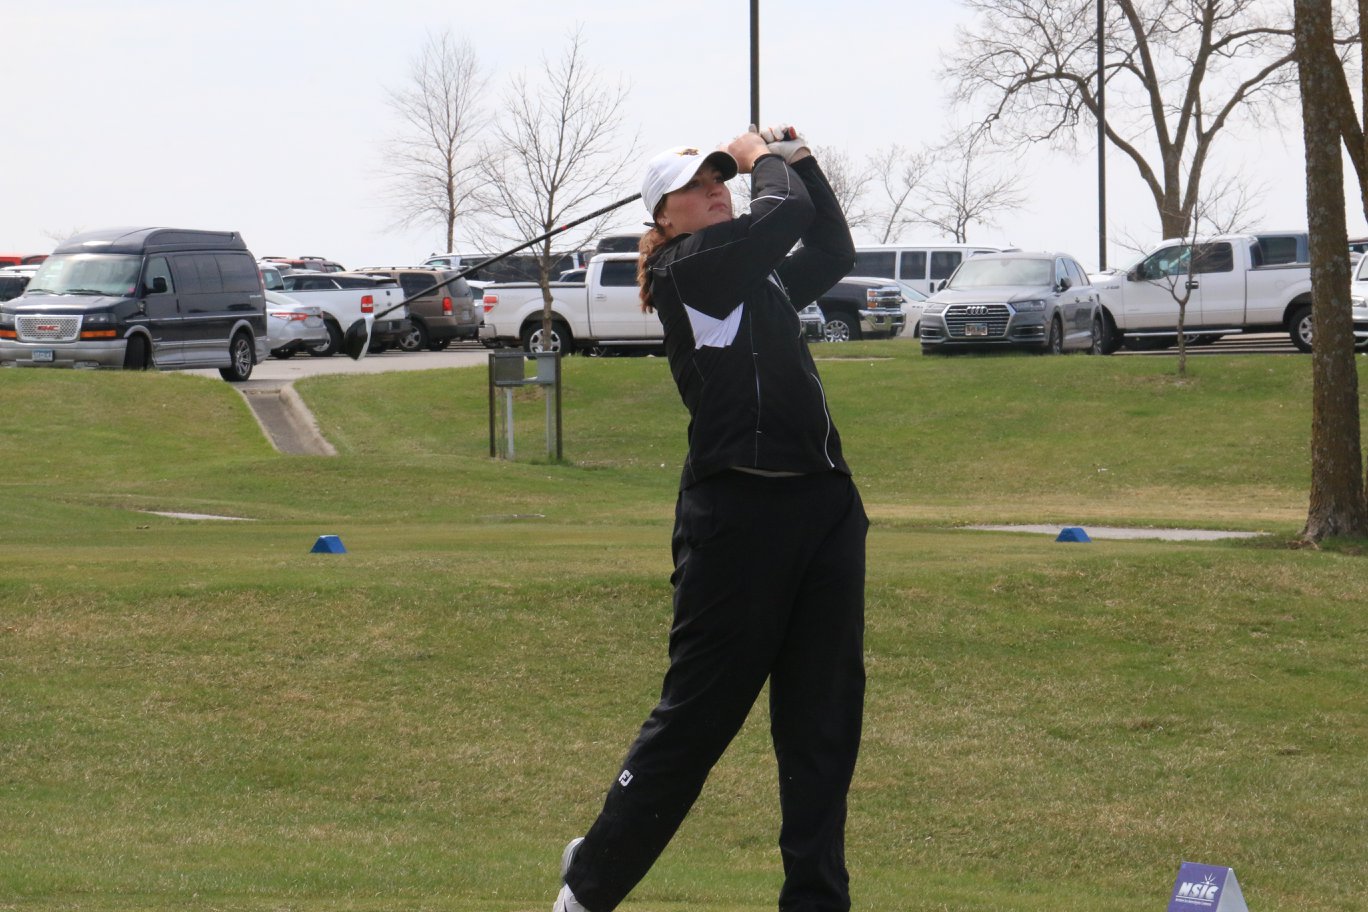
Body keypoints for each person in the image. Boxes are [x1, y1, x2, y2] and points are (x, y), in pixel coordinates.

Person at [554, 125, 867, 912]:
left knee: (821, 725)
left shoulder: (753, 278)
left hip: (823, 506)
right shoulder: (689, 268)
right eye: (696, 185)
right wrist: (761, 159)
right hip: (737, 516)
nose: (716, 188)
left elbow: (830, 248)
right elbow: (781, 220)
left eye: (720, 176)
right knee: (698, 722)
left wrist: (800, 161)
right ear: (665, 217)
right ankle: (587, 888)